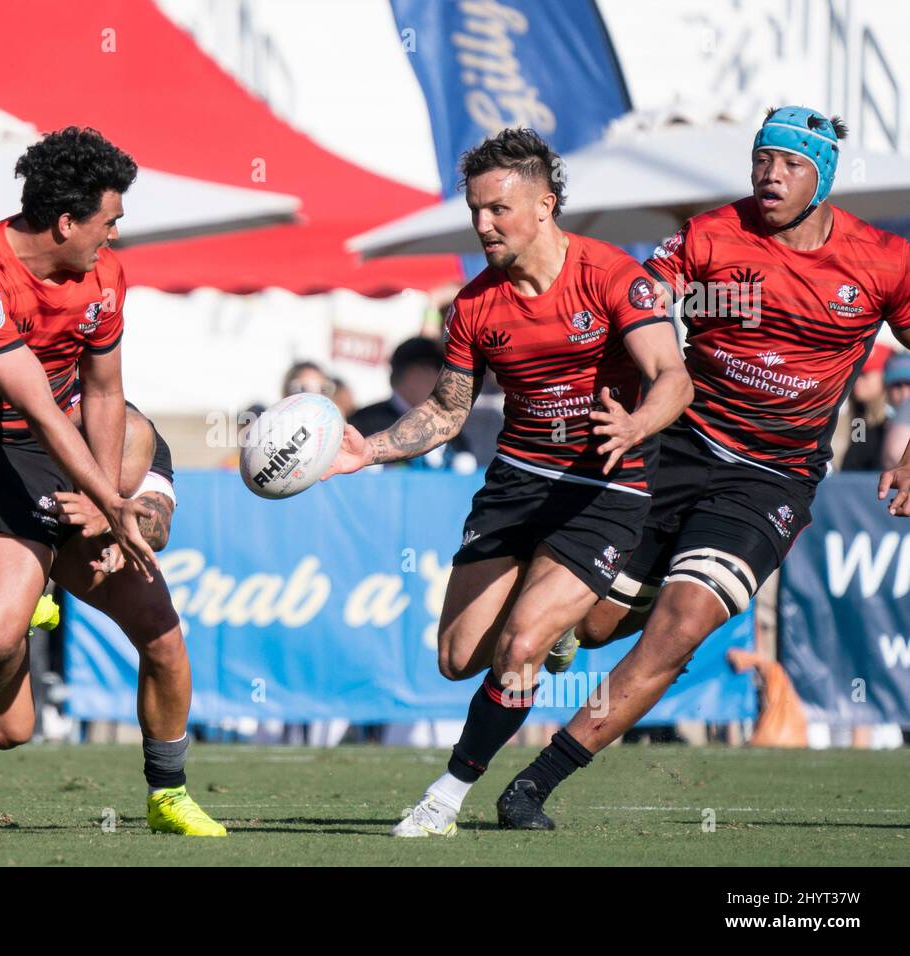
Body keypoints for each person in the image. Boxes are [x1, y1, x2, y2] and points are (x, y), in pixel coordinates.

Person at [497, 106, 910, 830]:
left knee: (683, 621)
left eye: (788, 164)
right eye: (761, 159)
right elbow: (642, 300)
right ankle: (658, 630)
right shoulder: (712, 234)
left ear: (823, 176)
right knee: (593, 629)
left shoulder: (882, 260)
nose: (769, 174)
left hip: (773, 477)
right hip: (680, 446)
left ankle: (534, 783)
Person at [321, 128, 691, 837]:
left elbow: (673, 377)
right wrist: (366, 450)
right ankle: (560, 629)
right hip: (517, 484)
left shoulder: (614, 276)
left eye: (499, 209)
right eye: (475, 211)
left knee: (521, 644)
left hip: (604, 487)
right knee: (460, 658)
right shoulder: (473, 306)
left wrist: (638, 426)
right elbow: (448, 410)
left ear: (546, 205)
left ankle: (445, 797)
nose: (483, 224)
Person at [0, 125, 215, 840]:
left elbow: (105, 396)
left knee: (2, 658)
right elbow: (42, 410)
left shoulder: (105, 278)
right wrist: (116, 507)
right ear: (66, 221)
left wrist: (101, 498)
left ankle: (29, 673)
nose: (114, 235)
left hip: (26, 452)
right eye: (110, 220)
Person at [0, 375, 223, 836]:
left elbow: (159, 524)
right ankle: (9, 641)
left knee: (162, 630)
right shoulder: (27, 409)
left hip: (88, 538)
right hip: (28, 511)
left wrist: (119, 519)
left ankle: (168, 793)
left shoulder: (141, 439)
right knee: (7, 726)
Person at [348, 337, 476, 470]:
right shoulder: (363, 423)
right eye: (441, 371)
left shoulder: (452, 430)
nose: (448, 382)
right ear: (415, 374)